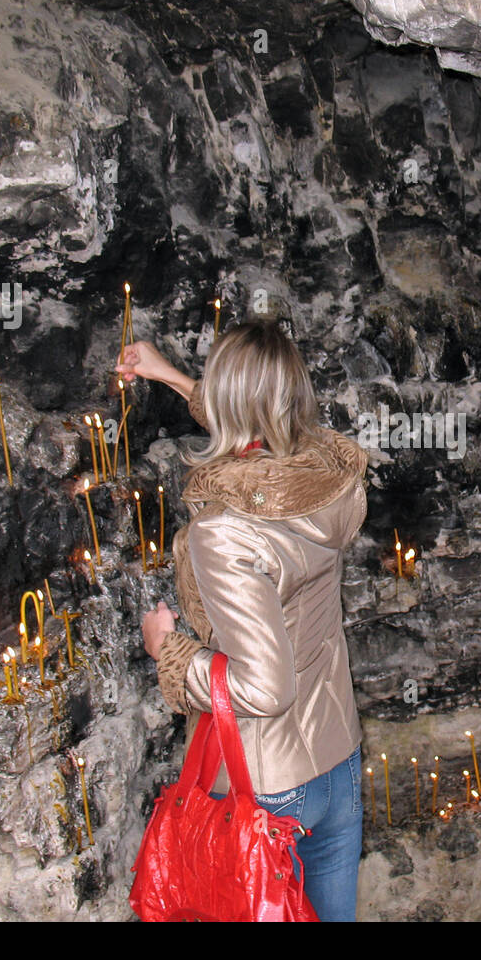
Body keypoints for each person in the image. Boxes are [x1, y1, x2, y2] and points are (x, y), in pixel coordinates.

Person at [116, 320, 369, 921]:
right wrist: (172, 377)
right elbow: (259, 433)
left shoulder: (224, 531)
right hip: (339, 765)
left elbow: (264, 688)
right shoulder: (323, 474)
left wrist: (168, 650)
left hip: (270, 788)